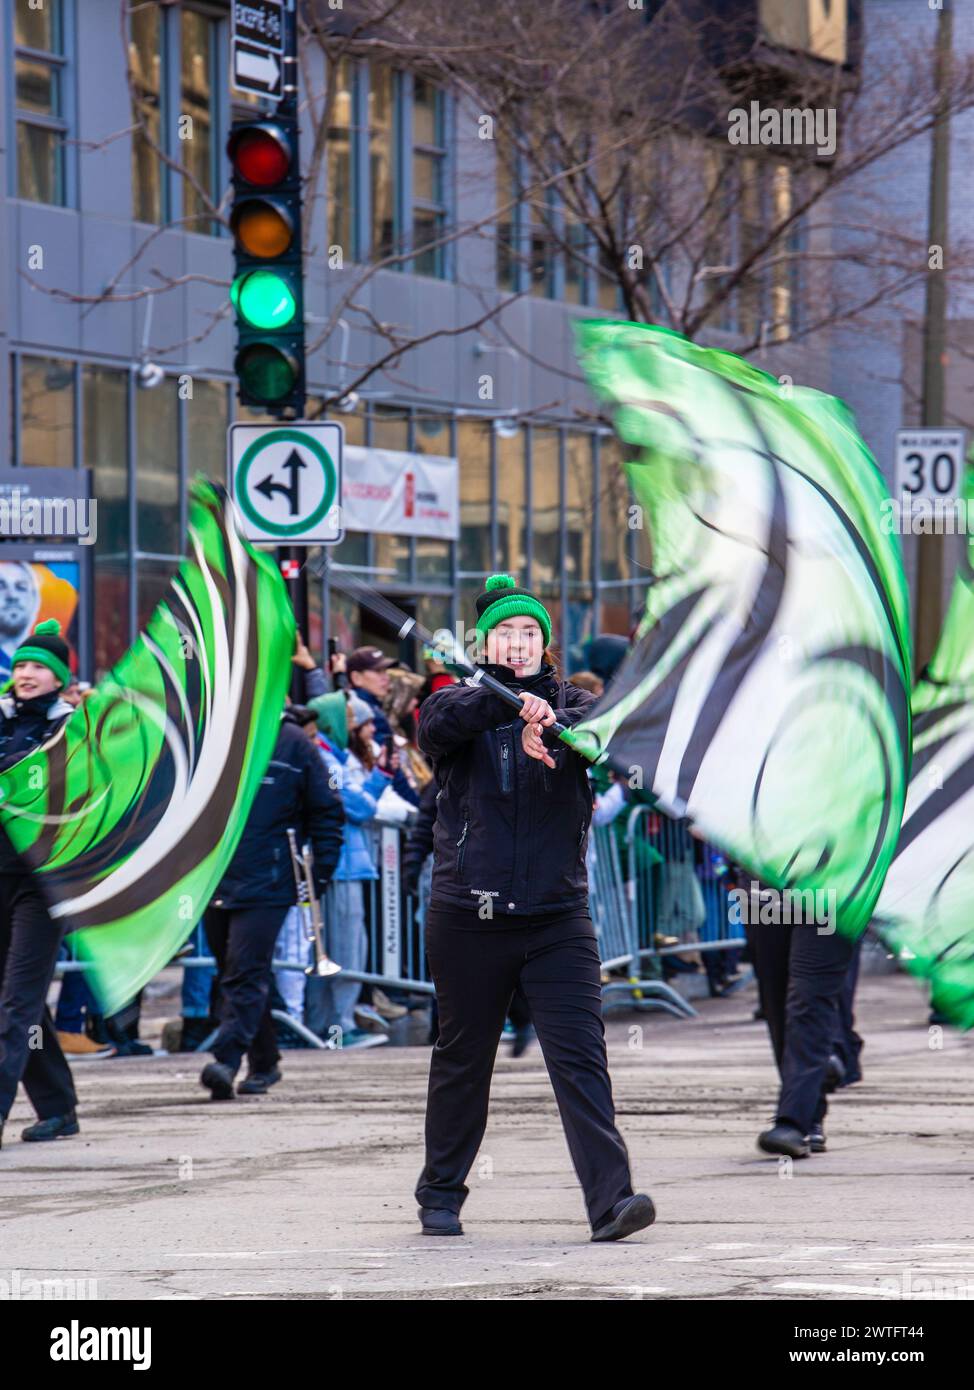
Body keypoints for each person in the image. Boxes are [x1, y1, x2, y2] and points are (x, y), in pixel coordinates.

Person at [413, 573, 655, 1242]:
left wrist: (553, 718)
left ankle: (611, 1202)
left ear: (545, 645)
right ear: (484, 642)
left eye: (530, 634)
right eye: (505, 633)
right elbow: (440, 727)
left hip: (557, 918)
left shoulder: (577, 704)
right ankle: (439, 1193)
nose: (517, 642)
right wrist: (505, 704)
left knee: (581, 1058)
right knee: (464, 1057)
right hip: (471, 914)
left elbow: (603, 736)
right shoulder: (456, 704)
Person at [199, 702, 345, 1099]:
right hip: (216, 879)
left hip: (270, 879)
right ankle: (265, 1062)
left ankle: (225, 1061)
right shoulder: (215, 738)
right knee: (235, 971)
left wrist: (319, 875)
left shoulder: (295, 743)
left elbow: (327, 812)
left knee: (244, 970)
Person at [0, 620, 81, 1148]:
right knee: (17, 1003)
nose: (27, 675)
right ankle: (58, 1106)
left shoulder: (73, 729)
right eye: (22, 665)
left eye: (39, 668)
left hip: (44, 884)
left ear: (59, 680)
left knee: (17, 1001)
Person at [302, 691, 394, 1051]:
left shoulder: (332, 756)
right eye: (351, 720)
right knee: (344, 950)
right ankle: (336, 1027)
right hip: (340, 868)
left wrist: (380, 777)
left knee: (342, 947)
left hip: (343, 865)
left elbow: (360, 801)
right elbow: (360, 807)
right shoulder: (328, 760)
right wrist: (376, 784)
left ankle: (328, 1024)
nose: (356, 728)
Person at [347, 647, 420, 808]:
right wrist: (417, 806)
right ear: (356, 677)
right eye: (378, 672)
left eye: (385, 672)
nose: (385, 678)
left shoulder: (371, 707)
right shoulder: (368, 712)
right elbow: (390, 766)